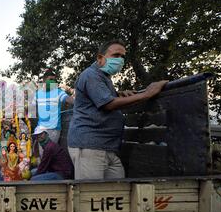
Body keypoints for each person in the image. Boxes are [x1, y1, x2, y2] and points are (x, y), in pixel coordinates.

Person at [67, 39, 168, 180]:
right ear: (100, 58)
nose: (120, 60)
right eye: (115, 55)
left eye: (122, 56)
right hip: (90, 147)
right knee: (91, 197)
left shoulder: (104, 77)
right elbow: (108, 104)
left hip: (107, 147)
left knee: (117, 192)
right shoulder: (91, 75)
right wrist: (146, 94)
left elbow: (105, 98)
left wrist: (118, 94)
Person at [35, 69, 74, 157]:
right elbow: (29, 105)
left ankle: (47, 169)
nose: (52, 81)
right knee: (42, 154)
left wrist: (78, 102)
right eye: (50, 79)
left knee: (49, 153)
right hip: (41, 128)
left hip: (53, 129)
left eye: (54, 80)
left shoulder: (58, 92)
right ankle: (44, 170)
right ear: (44, 80)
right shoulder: (38, 93)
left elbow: (68, 99)